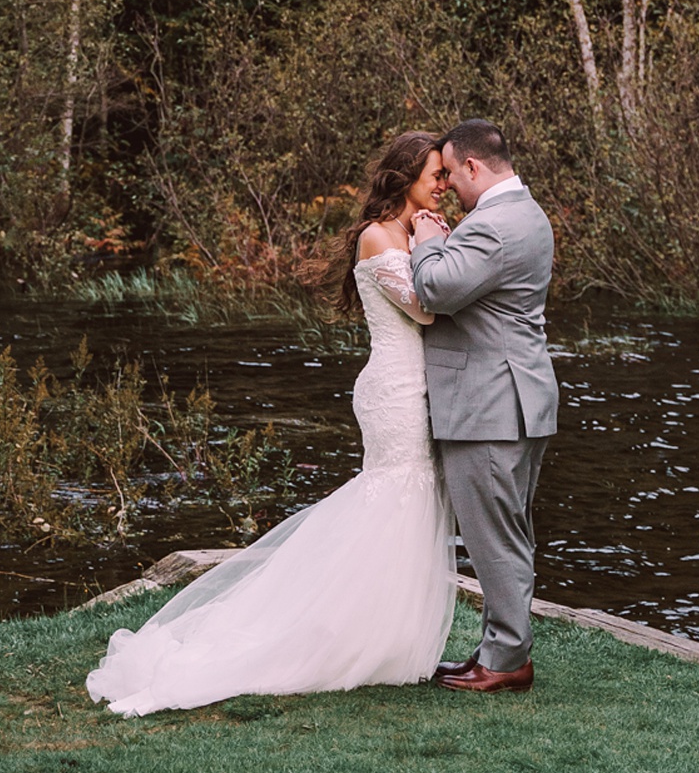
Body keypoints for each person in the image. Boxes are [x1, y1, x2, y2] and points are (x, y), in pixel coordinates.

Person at [85, 130, 457, 716]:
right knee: (392, 497)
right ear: (406, 175)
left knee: (410, 501)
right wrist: (436, 247)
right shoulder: (378, 236)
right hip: (395, 390)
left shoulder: (414, 232)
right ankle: (328, 633)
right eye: (436, 173)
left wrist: (434, 242)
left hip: (417, 386)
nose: (444, 184)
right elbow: (427, 307)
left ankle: (384, 638)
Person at [410, 117, 558, 693]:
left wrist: (428, 242)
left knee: (494, 538)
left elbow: (439, 289)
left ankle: (504, 662)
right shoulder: (529, 214)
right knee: (509, 532)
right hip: (518, 398)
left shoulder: (494, 226)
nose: (447, 184)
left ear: (473, 166)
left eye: (450, 172)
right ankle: (499, 648)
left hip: (490, 404)